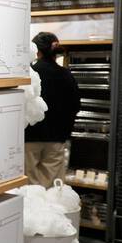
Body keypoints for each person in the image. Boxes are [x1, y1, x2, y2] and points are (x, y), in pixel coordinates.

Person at [24, 31, 81, 187]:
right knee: (51, 189)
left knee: (29, 189)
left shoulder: (31, 74)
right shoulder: (66, 75)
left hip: (29, 139)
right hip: (56, 139)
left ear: (37, 50)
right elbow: (76, 105)